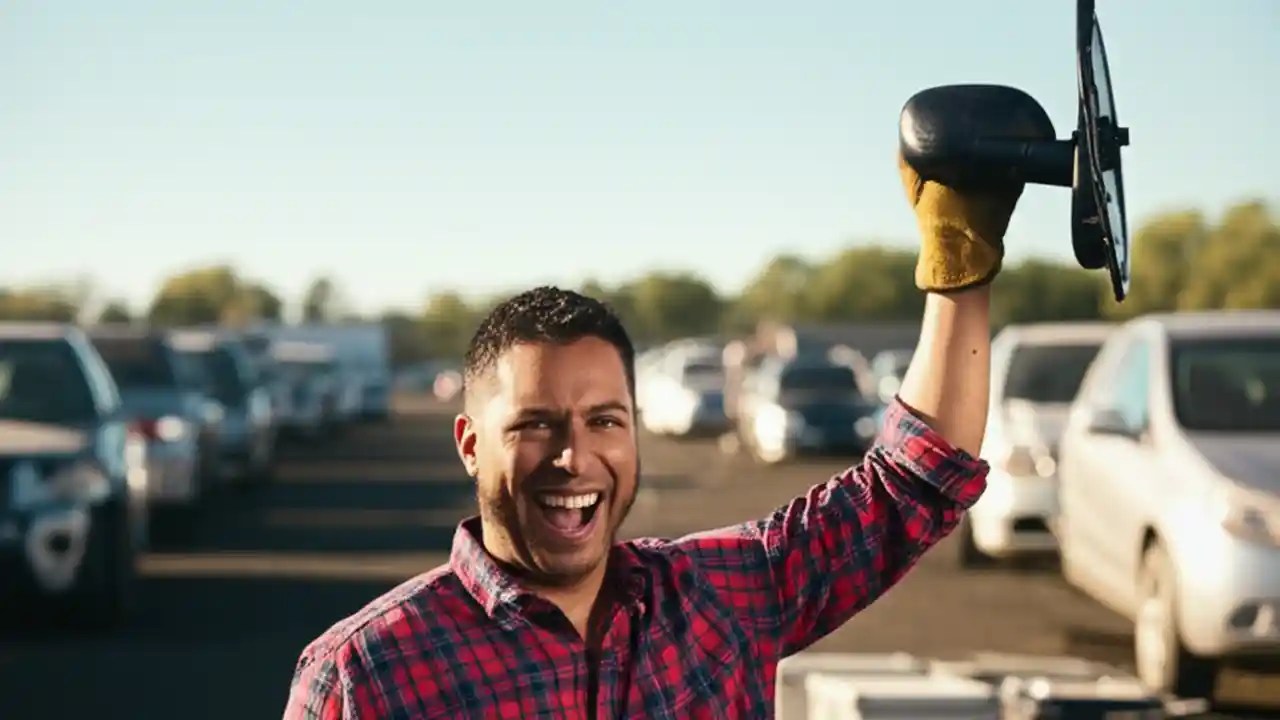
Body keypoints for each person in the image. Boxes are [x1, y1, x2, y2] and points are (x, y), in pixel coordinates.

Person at [282, 152, 1022, 718]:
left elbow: (913, 482)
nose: (575, 458)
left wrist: (960, 256)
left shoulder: (723, 599)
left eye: (605, 421)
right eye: (536, 424)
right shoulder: (363, 677)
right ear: (471, 444)